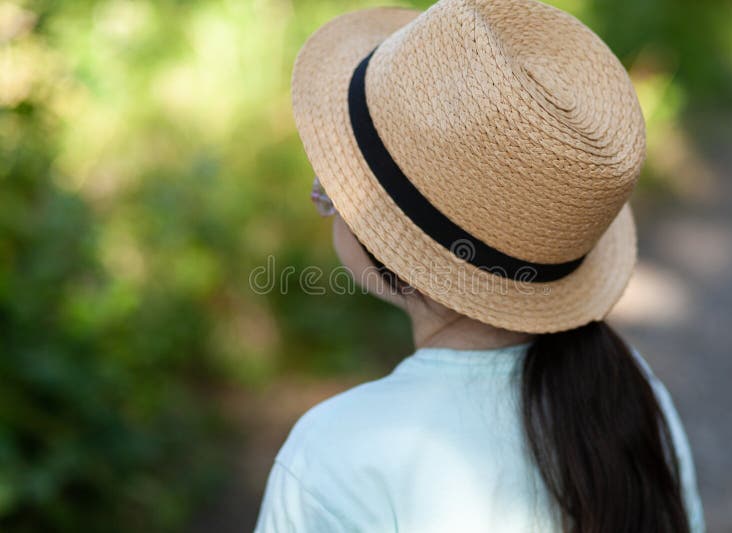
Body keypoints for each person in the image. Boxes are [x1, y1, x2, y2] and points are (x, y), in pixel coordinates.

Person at [255, 0, 705, 531]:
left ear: (392, 245)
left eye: (332, 185)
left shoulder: (334, 457)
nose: (322, 194)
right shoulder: (634, 398)